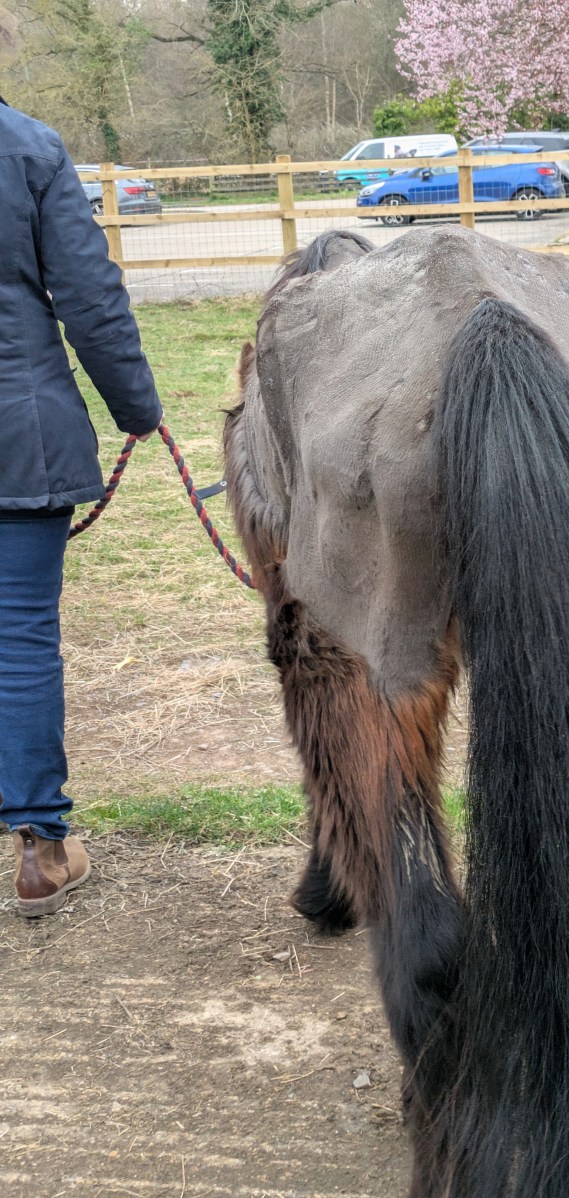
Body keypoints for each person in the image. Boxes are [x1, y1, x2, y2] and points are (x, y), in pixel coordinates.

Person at [0, 9, 163, 916]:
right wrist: (138, 410)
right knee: (18, 634)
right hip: (19, 436)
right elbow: (90, 298)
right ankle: (41, 850)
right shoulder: (28, 150)